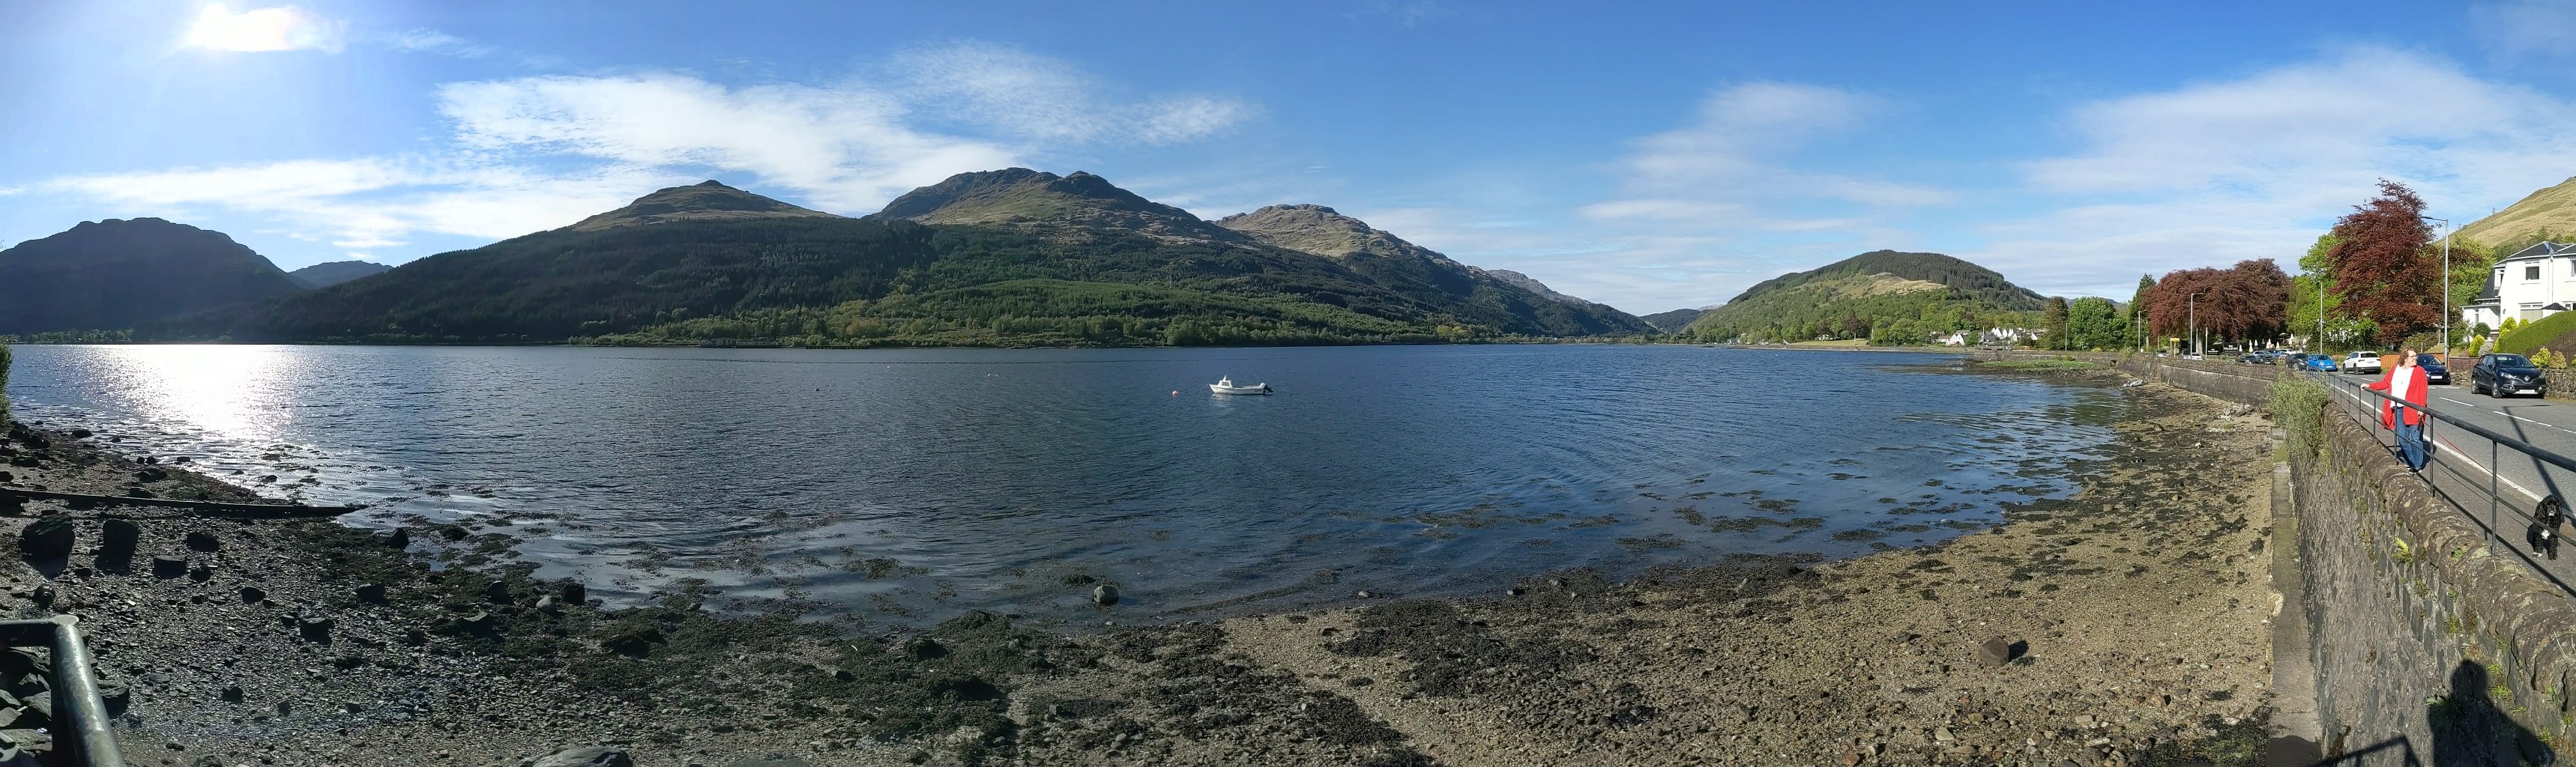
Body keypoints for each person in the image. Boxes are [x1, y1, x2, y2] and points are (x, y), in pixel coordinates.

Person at [2368, 348, 2430, 472]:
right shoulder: (2396, 369)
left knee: (2416, 438)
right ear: (2405, 358)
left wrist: (2421, 408)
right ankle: (2408, 460)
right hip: (2398, 409)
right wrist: (2370, 386)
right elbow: (2385, 383)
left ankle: (2417, 465)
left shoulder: (2419, 371)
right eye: (2412, 356)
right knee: (2402, 438)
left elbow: (2423, 390)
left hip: (2414, 409)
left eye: (2416, 356)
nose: (2415, 358)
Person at [2531, 495, 2566, 560]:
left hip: (2554, 522)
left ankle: (2553, 553)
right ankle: (2538, 551)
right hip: (2541, 522)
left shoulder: (2557, 518)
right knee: (2537, 535)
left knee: (2554, 537)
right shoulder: (2539, 516)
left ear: (2558, 508)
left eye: (2555, 506)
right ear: (2543, 507)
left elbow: (2562, 519)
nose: (2552, 508)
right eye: (2548, 505)